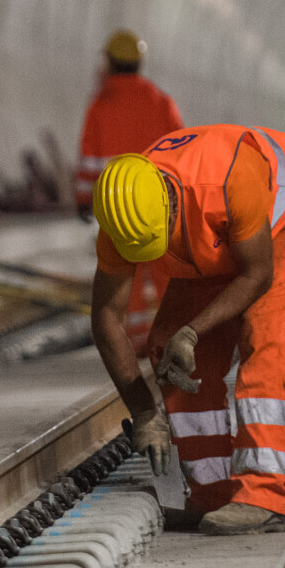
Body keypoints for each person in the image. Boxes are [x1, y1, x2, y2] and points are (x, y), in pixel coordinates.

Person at [88, 125, 285, 536]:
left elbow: (257, 274)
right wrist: (144, 411)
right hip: (216, 232)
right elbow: (106, 317)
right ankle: (213, 495)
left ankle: (266, 496)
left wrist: (193, 330)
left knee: (263, 321)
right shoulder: (121, 216)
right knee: (165, 345)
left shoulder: (227, 179)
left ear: (170, 203)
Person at [75, 31, 184, 349]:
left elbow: (89, 160)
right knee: (165, 269)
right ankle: (171, 337)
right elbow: (180, 152)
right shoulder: (161, 101)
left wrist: (84, 200)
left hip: (117, 205)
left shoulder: (100, 107)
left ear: (109, 62)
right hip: (156, 202)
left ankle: (136, 342)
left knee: (126, 274)